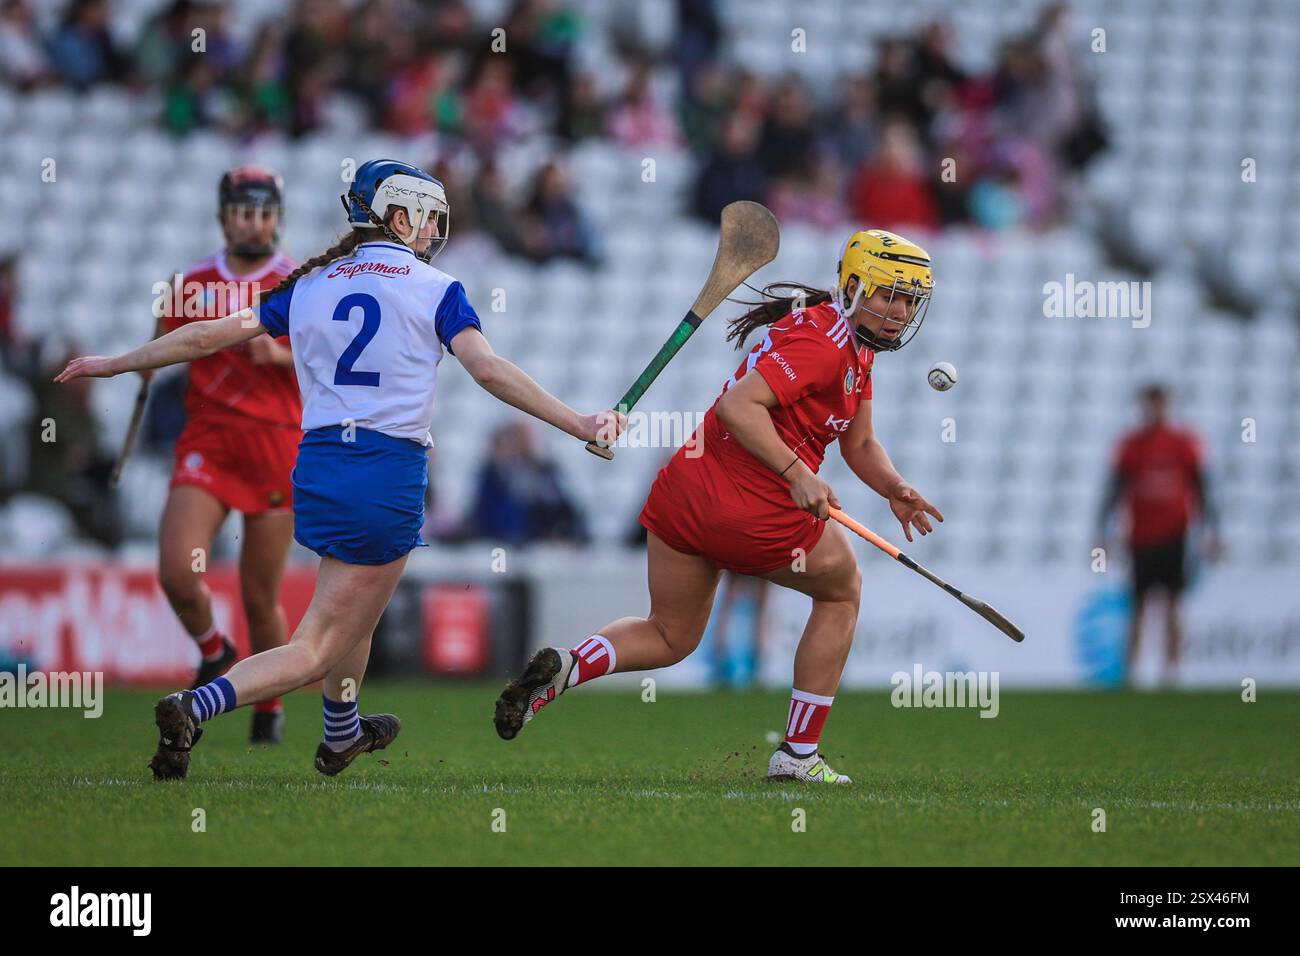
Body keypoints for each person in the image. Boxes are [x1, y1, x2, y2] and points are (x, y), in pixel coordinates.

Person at [55, 159, 623, 780]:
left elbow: (206, 336)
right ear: (399, 216)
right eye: (428, 218)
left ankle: (341, 736)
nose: (434, 232)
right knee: (318, 644)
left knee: (355, 609)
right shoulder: (438, 290)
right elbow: (487, 370)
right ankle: (197, 704)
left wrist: (116, 362)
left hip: (319, 466)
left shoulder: (314, 281)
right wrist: (580, 423)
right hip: (385, 472)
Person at [493, 229, 943, 784]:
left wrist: (893, 487)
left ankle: (566, 667)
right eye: (888, 294)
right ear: (852, 286)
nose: (899, 311)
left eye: (908, 300)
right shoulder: (826, 346)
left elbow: (859, 443)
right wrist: (798, 473)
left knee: (669, 636)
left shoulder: (844, 339)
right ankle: (798, 754)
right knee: (842, 589)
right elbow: (738, 407)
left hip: (685, 494)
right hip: (751, 508)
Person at [150, 166, 299, 745]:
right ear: (223, 217)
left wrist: (281, 359)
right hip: (208, 444)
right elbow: (171, 352)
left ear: (276, 218)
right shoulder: (193, 283)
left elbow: (332, 367)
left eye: (263, 213)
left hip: (275, 445)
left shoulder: (297, 280)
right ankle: (216, 651)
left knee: (261, 597)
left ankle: (268, 710)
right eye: (242, 212)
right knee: (177, 571)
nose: (253, 224)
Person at [1098, 384, 1221, 685]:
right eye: (1150, 404)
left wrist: (1213, 531)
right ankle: (1132, 672)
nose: (1155, 410)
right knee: (1137, 604)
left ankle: (1171, 672)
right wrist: (1103, 532)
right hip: (1140, 536)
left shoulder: (1183, 443)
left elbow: (1202, 489)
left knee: (1173, 603)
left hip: (1174, 534)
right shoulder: (1132, 445)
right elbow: (1114, 490)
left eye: (1160, 404)